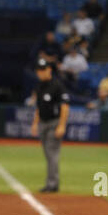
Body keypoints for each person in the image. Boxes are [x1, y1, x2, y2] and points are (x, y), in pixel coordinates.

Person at [30, 58, 70, 193]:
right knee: (48, 154)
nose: (40, 73)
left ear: (49, 70)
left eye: (43, 69)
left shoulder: (57, 85)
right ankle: (51, 183)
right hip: (42, 122)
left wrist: (62, 125)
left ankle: (52, 184)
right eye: (39, 70)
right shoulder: (39, 86)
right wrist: (35, 124)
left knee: (52, 154)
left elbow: (65, 106)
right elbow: (38, 107)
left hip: (54, 122)